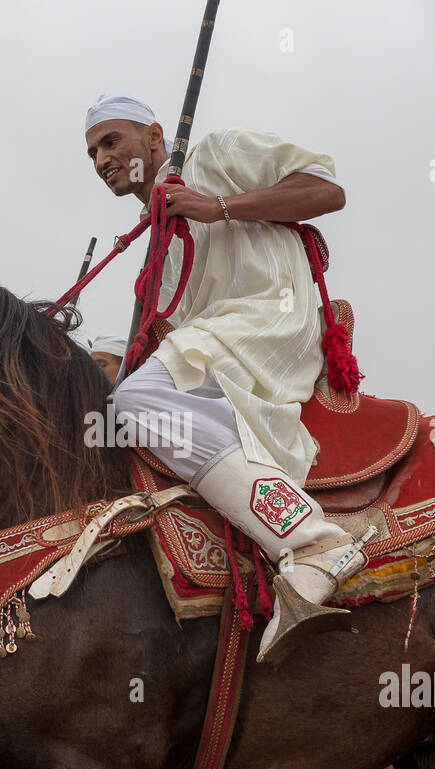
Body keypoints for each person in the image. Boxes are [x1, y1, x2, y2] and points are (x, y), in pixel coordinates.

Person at [86, 93, 363, 663]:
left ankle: (315, 544)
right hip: (221, 350)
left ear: (156, 137)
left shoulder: (215, 154)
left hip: (269, 318)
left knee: (136, 400)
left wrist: (218, 206)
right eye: (91, 152)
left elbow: (326, 190)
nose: (101, 159)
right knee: (114, 422)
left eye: (112, 142)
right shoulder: (151, 241)